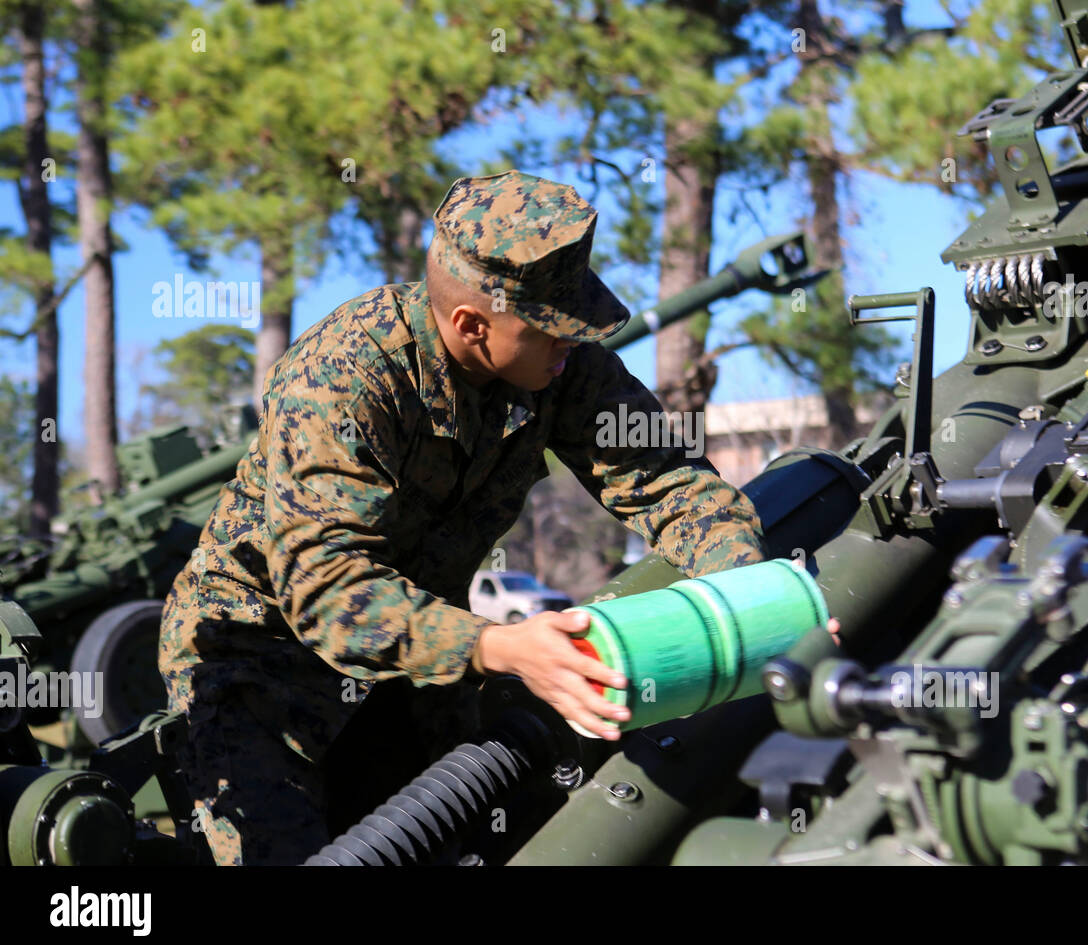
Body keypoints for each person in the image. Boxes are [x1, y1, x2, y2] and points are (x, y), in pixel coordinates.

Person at [158, 170, 770, 865]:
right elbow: (326, 586)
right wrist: (502, 648)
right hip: (258, 664)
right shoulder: (347, 374)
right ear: (471, 326)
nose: (572, 344)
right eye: (551, 329)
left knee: (502, 835)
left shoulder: (563, 369)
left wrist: (755, 595)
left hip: (421, 663)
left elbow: (670, 480)